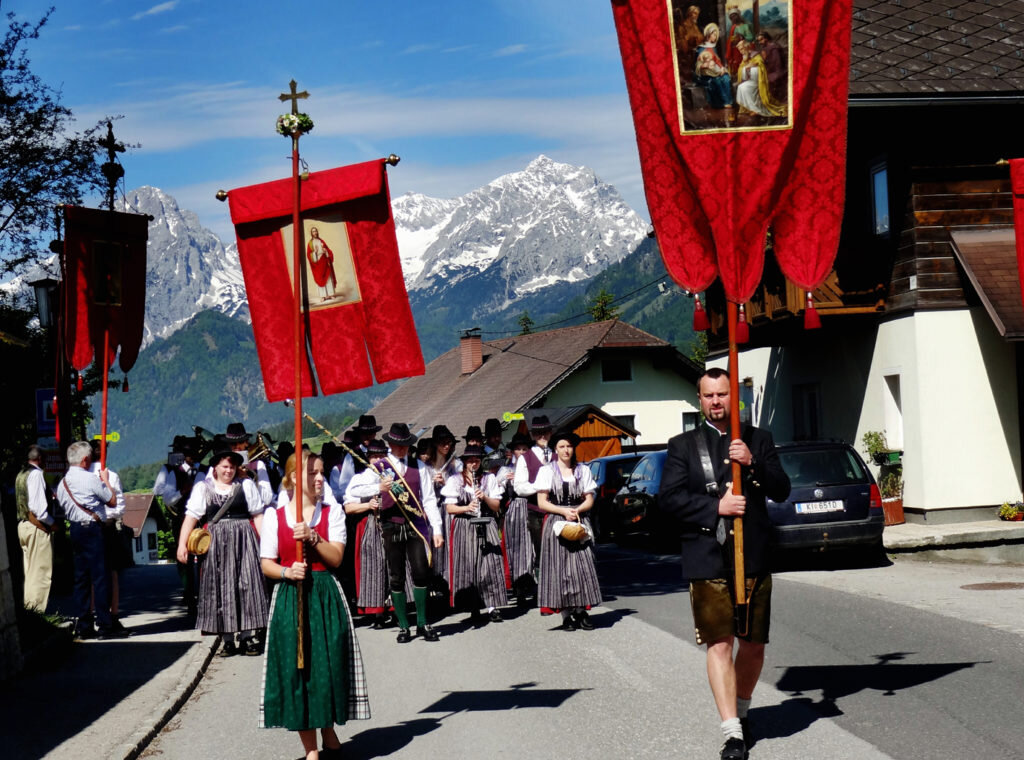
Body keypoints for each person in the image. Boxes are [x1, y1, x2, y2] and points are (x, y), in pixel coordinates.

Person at [658, 367, 790, 760]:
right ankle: (732, 732)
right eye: (709, 395)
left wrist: (752, 463)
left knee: (753, 646)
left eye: (722, 394)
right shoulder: (682, 445)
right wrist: (716, 507)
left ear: (735, 397)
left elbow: (781, 490)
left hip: (752, 555)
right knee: (720, 644)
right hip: (706, 557)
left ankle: (744, 709)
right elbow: (669, 500)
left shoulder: (758, 439)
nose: (716, 402)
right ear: (699, 401)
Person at [259, 449, 370, 760]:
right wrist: (285, 571)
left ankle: (328, 728)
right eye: (313, 472)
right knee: (297, 672)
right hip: (289, 598)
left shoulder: (331, 513)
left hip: (324, 595)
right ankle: (311, 751)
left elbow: (336, 558)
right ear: (295, 477)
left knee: (326, 668)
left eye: (322, 472)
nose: (321, 478)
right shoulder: (275, 516)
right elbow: (266, 562)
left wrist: (311, 537)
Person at [177, 449, 268, 655]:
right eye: (225, 467)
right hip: (216, 543)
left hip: (244, 540)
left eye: (232, 467)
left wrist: (266, 545)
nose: (228, 471)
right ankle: (227, 639)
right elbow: (191, 517)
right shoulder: (203, 488)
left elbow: (258, 515)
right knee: (220, 586)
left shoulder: (245, 486)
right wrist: (182, 544)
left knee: (247, 584)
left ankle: (247, 636)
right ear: (215, 467)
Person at [374, 422, 445, 643]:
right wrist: (379, 488)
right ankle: (403, 626)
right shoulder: (380, 467)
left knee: (421, 572)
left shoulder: (419, 466)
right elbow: (352, 491)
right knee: (396, 576)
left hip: (416, 525)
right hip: (391, 525)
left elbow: (429, 499)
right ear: (390, 444)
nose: (402, 449)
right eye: (398, 444)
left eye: (405, 445)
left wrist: (437, 529)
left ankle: (423, 623)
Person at [535, 430, 602, 631]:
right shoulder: (547, 471)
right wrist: (562, 511)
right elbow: (541, 502)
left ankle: (581, 610)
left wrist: (577, 510)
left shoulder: (583, 470)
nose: (566, 450)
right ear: (556, 449)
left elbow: (589, 499)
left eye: (569, 446)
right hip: (556, 522)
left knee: (582, 566)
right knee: (560, 569)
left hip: (579, 520)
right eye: (562, 446)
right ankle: (566, 615)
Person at [56, 440, 123, 639]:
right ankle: (104, 624)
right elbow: (111, 500)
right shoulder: (91, 479)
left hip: (75, 530)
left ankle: (84, 625)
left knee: (81, 579)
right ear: (85, 460)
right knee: (100, 577)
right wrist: (106, 480)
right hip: (94, 529)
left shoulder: (63, 483)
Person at [442, 444, 507, 623]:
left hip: (486, 522)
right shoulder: (455, 480)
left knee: (491, 564)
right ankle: (473, 606)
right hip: (464, 524)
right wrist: (466, 507)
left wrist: (484, 497)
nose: (473, 464)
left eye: (476, 460)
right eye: (470, 461)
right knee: (469, 565)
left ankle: (493, 606)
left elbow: (496, 506)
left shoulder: (489, 478)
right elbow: (449, 508)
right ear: (464, 463)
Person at [342, 439, 392, 628]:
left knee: (393, 565)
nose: (378, 460)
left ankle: (394, 608)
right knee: (373, 566)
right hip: (369, 524)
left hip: (391, 521)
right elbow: (348, 508)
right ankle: (377, 612)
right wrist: (367, 505)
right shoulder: (360, 479)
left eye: (381, 456)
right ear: (369, 458)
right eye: (374, 456)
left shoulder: (392, 476)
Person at [512, 414, 555, 602]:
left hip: (556, 509)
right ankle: (542, 590)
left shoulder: (557, 454)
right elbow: (519, 487)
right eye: (538, 433)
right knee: (540, 550)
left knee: (558, 549)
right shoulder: (526, 458)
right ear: (533, 435)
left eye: (545, 432)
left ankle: (556, 587)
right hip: (536, 511)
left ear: (550, 432)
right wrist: (541, 487)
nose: (542, 436)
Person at [89, 440, 129, 632]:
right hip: (107, 526)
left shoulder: (82, 476)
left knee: (90, 573)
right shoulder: (110, 476)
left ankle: (89, 617)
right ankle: (112, 616)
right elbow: (120, 507)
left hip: (88, 526)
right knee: (112, 573)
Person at [493, 433, 535, 605]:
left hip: (530, 507)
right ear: (513, 452)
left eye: (524, 449)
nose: (521, 452)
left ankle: (529, 584)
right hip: (512, 510)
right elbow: (495, 489)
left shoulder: (533, 468)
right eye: (518, 449)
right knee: (513, 547)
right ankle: (517, 587)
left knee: (530, 548)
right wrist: (504, 480)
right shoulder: (506, 469)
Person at [16, 445, 58, 612]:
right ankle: (37, 611)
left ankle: (29, 608)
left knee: (30, 572)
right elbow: (38, 509)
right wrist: (53, 524)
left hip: (22, 525)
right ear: (40, 459)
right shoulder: (36, 475)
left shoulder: (21, 474)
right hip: (36, 528)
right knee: (40, 573)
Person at [329, 415, 382, 505]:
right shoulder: (352, 456)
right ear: (359, 434)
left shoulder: (384, 453)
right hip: (360, 506)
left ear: (375, 434)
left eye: (370, 433)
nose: (367, 436)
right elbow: (345, 489)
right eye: (364, 433)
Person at [735, 39, 787, 118]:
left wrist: (753, 67)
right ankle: (748, 108)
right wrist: (745, 68)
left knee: (745, 88)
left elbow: (761, 67)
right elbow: (742, 71)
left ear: (746, 47)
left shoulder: (756, 55)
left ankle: (755, 109)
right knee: (741, 87)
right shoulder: (745, 57)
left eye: (742, 49)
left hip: (758, 80)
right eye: (739, 50)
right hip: (750, 80)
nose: (740, 51)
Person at [695, 24, 734, 109]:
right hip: (706, 73)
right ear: (709, 34)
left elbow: (717, 60)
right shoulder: (701, 48)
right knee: (717, 81)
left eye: (716, 35)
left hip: (715, 70)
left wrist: (722, 68)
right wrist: (704, 66)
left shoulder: (713, 47)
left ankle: (729, 101)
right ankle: (722, 102)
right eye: (714, 34)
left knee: (726, 78)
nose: (716, 37)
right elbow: (698, 63)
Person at [306, 226, 337, 303]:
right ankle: (323, 296)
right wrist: (315, 252)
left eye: (316, 231)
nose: (315, 232)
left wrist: (325, 250)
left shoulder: (321, 241)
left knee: (328, 278)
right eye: (313, 231)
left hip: (324, 261)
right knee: (320, 278)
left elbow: (328, 250)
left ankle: (330, 294)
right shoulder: (310, 244)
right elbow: (309, 255)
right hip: (317, 264)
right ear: (311, 233)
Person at [676, 4, 704, 84]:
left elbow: (700, 37)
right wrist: (689, 38)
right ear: (689, 14)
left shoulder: (695, 26)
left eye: (697, 14)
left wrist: (698, 38)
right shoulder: (682, 26)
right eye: (695, 14)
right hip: (687, 54)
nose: (696, 16)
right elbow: (682, 44)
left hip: (696, 50)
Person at [756, 31, 786, 102]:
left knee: (761, 80)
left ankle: (768, 101)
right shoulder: (765, 48)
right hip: (770, 70)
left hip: (776, 72)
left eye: (761, 39)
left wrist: (765, 60)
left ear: (766, 38)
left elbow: (776, 64)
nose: (760, 42)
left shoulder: (774, 48)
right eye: (758, 41)